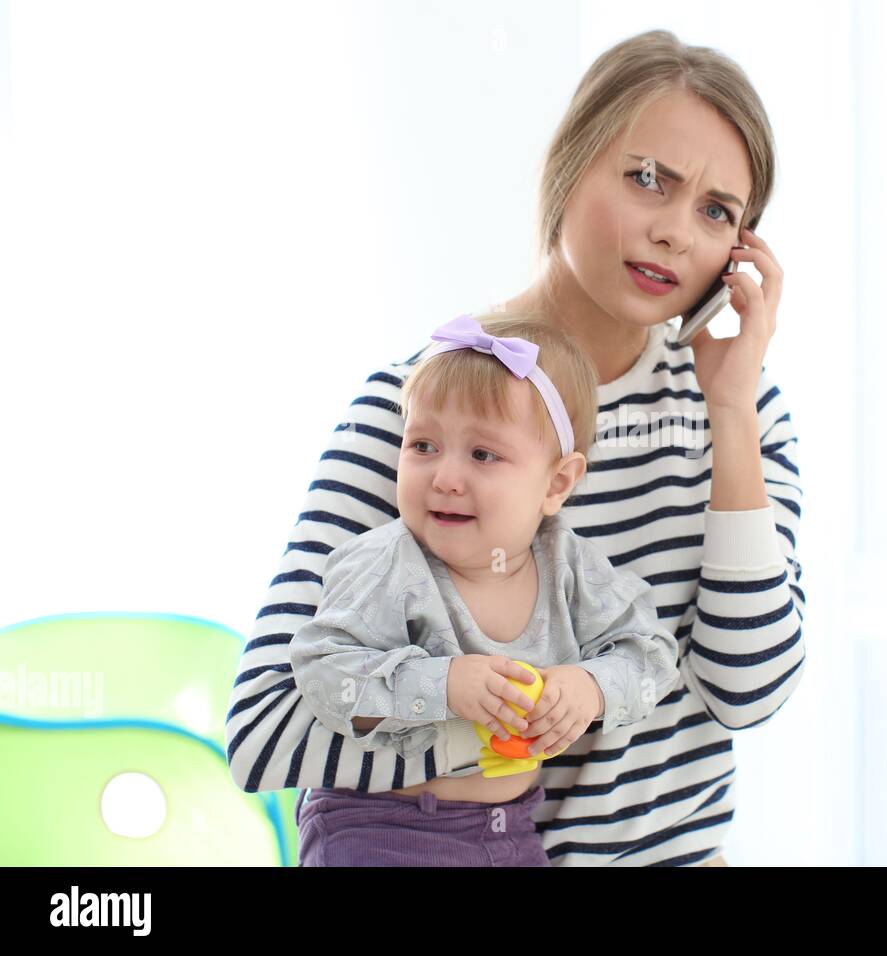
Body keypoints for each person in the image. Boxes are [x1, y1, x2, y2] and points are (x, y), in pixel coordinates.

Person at [226, 28, 805, 867]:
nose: (677, 231)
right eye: (649, 179)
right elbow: (263, 733)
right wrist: (498, 721)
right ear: (570, 163)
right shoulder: (421, 415)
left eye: (717, 211)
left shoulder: (743, 410)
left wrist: (732, 414)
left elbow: (746, 692)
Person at [288, 314, 680, 866]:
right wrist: (443, 684)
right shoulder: (388, 561)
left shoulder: (568, 568)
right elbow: (321, 669)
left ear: (557, 482)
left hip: (510, 832)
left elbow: (654, 654)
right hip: (381, 828)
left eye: (482, 455)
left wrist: (591, 688)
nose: (445, 476)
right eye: (423, 445)